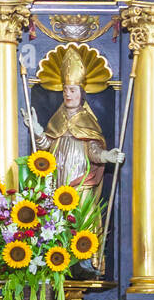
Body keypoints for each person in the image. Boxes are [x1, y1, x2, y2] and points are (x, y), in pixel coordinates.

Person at [30, 48, 124, 193]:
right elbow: (45, 147)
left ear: (81, 93)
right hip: (57, 178)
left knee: (83, 213)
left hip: (81, 179)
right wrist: (37, 130)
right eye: (65, 90)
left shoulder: (87, 120)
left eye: (72, 90)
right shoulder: (56, 119)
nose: (67, 94)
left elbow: (93, 151)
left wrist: (106, 156)